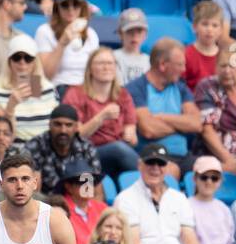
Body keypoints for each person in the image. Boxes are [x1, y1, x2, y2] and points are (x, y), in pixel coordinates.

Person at [112, 143, 200, 244]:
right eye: (150, 163)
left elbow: (190, 242)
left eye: (161, 164)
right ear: (139, 165)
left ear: (168, 167)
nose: (155, 168)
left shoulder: (179, 198)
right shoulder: (125, 199)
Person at [126, 38, 202, 179]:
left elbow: (197, 124)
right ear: (162, 65)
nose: (184, 70)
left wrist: (161, 117)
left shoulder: (180, 87)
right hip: (153, 158)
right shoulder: (136, 88)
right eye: (179, 65)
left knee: (214, 169)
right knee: (170, 171)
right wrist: (182, 125)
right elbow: (148, 129)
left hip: (184, 156)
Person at [63, 47, 139, 179]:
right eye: (100, 63)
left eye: (110, 63)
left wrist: (130, 136)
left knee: (121, 149)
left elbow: (133, 139)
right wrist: (101, 116)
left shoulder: (123, 95)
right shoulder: (75, 94)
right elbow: (76, 136)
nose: (106, 67)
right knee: (118, 149)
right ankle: (148, 171)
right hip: (85, 153)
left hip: (118, 155)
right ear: (90, 69)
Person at [0, 32, 60, 143]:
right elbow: (1, 136)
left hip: (45, 148)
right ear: (9, 61)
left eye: (28, 58)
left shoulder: (48, 88)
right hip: (16, 149)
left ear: (35, 61)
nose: (22, 63)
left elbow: (58, 124)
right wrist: (11, 107)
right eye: (17, 57)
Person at [22, 104, 104, 197]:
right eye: (58, 124)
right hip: (47, 203)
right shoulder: (35, 146)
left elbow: (96, 187)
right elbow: (34, 191)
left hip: (79, 202)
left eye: (68, 125)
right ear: (49, 125)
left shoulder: (86, 147)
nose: (63, 130)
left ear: (76, 127)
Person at [36, 0, 99, 92]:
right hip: (59, 89)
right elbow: (46, 76)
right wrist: (62, 44)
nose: (71, 9)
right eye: (65, 4)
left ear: (82, 6)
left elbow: (95, 74)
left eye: (75, 4)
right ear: (57, 7)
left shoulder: (91, 34)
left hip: (85, 90)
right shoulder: (45, 31)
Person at [184, 0, 224, 93]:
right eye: (205, 24)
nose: (209, 29)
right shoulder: (186, 54)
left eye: (215, 25)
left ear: (221, 30)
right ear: (194, 27)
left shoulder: (225, 56)